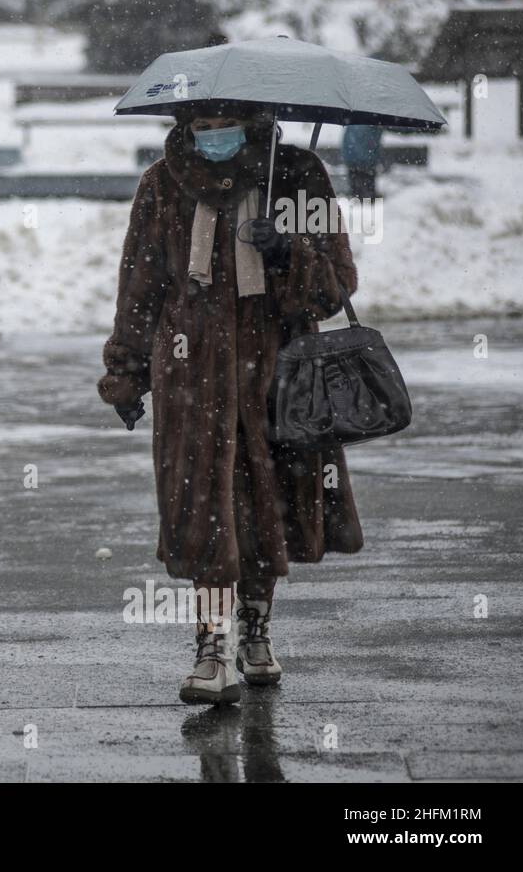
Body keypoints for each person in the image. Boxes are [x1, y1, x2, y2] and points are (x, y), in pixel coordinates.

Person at [97, 101, 365, 705]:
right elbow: (140, 288)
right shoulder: (161, 185)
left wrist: (287, 254)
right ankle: (211, 642)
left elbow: (336, 285)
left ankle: (257, 630)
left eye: (227, 126)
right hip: (193, 375)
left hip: (281, 370)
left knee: (268, 501)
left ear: (255, 122)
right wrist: (126, 372)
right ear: (183, 129)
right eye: (202, 129)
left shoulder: (297, 175)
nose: (215, 138)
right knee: (205, 506)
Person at [341, 123, 384, 200]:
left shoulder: (355, 119)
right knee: (366, 192)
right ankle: (366, 201)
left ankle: (358, 199)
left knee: (356, 191)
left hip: (352, 159)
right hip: (366, 161)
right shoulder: (373, 120)